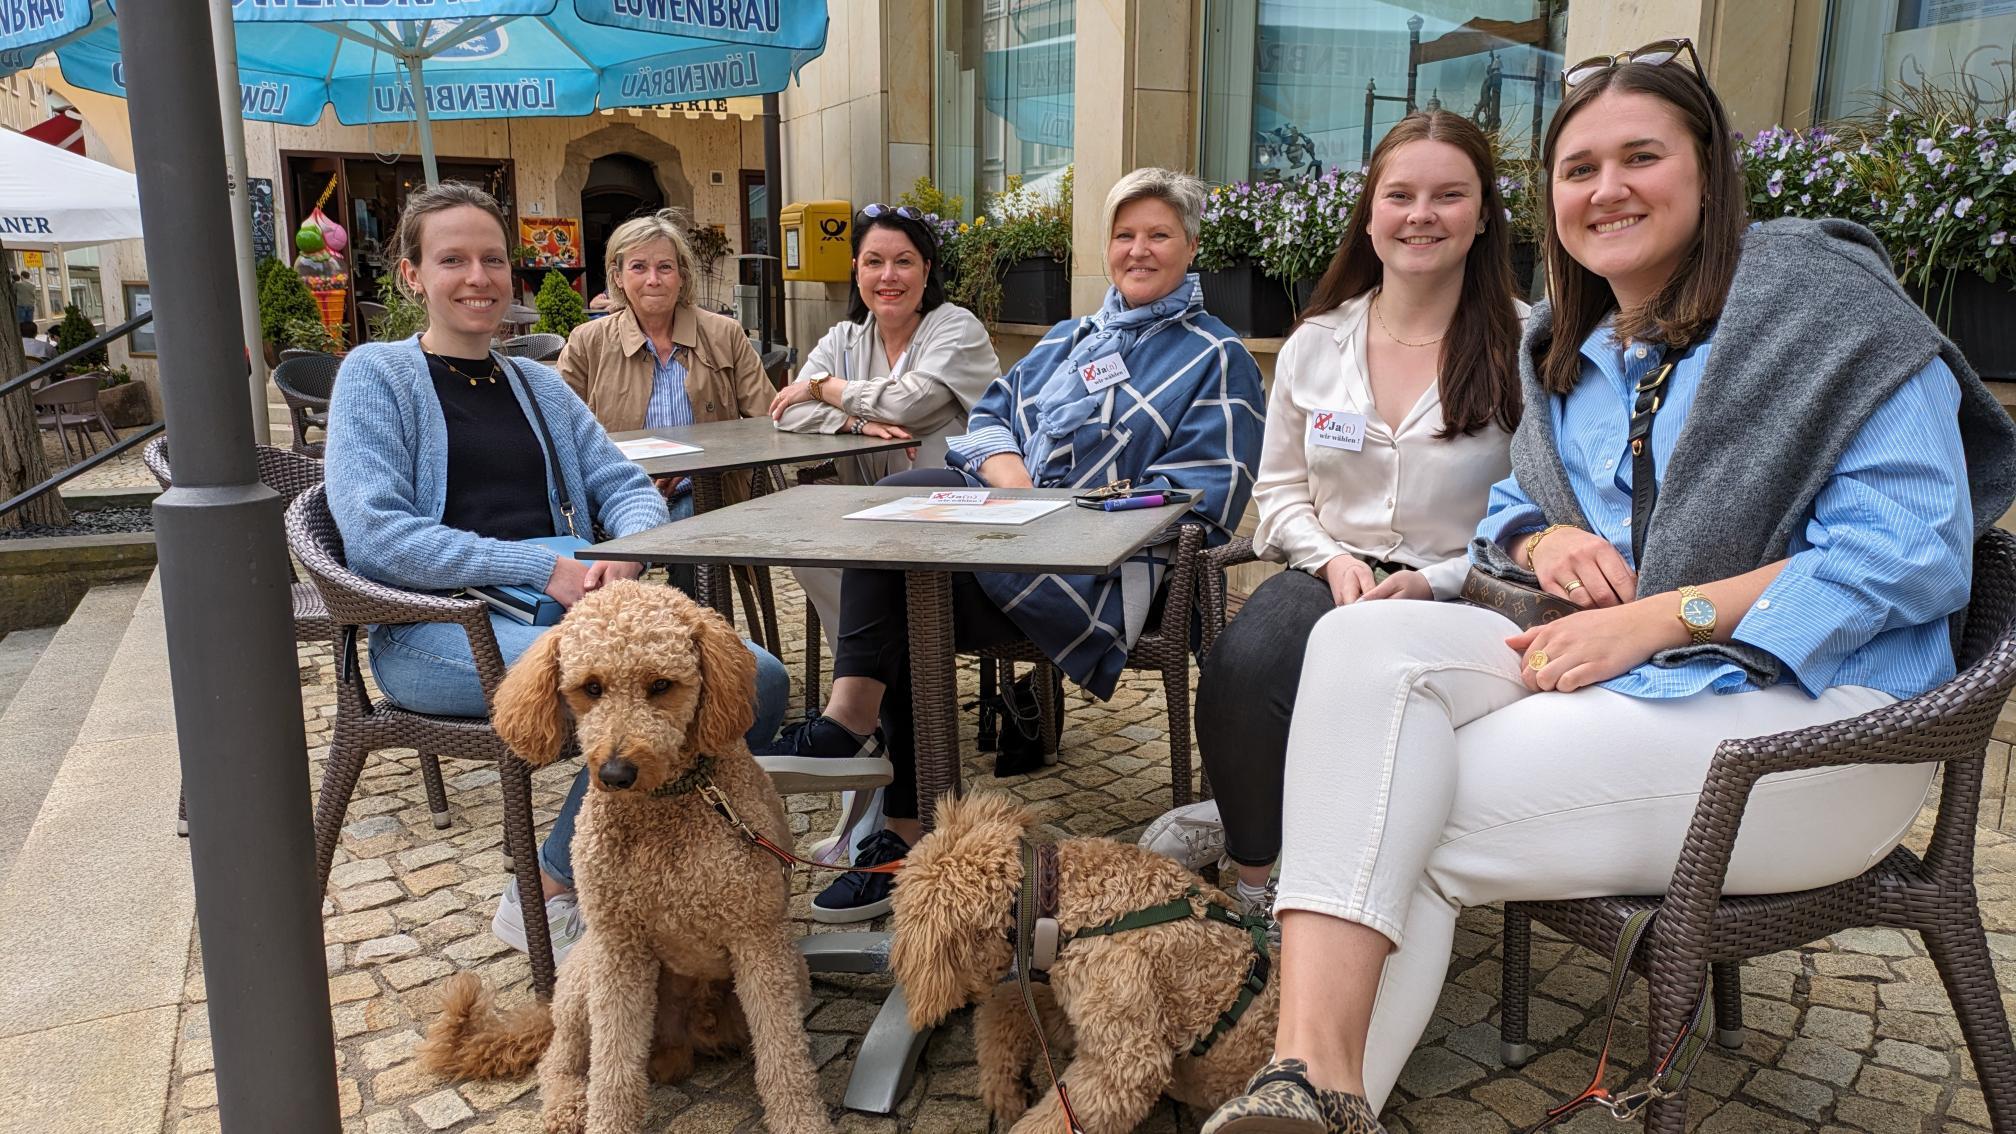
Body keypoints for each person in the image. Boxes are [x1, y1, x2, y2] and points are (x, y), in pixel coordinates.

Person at [1202, 41, 2016, 1134]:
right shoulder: (1573, 350)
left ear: (1710, 171)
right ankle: (1307, 1089)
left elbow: (1910, 550)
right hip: (1645, 685)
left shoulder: (1829, 311)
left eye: (1642, 157)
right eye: (1579, 169)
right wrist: (1542, 541)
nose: (1607, 189)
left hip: (1827, 722)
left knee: (1397, 805)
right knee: (1353, 647)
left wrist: (1662, 617)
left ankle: (1314, 1089)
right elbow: (1508, 509)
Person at [756, 167, 1267, 923]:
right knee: (897, 519)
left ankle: (881, 792)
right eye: (1124, 234)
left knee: (907, 572)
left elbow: (1204, 494)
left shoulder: (1217, 356)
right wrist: (1013, 480)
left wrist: (1055, 510)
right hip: (1008, 533)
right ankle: (880, 786)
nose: (1138, 250)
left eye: (1158, 234)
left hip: (1102, 571)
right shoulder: (1070, 338)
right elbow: (990, 417)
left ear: (1191, 248)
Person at [323, 183, 791, 965]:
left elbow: (625, 486)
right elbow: (374, 536)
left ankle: (628, 875)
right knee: (612, 705)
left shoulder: (536, 383)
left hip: (569, 613)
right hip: (439, 626)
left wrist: (625, 550)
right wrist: (541, 567)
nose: (479, 277)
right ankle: (549, 891)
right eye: (452, 260)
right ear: (412, 274)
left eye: (492, 259)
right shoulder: (378, 374)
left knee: (759, 680)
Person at [1139, 111, 1526, 926]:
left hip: (1469, 593)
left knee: (1378, 702)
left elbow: (1542, 513)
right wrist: (1330, 560)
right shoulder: (1318, 341)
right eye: (1401, 195)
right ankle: (1256, 880)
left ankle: (1365, 869)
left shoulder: (1528, 345)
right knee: (1244, 671)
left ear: (1485, 214)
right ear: (1370, 214)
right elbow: (1280, 490)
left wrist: (1436, 579)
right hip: (1334, 572)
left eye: (1449, 195)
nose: (1421, 215)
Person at [767, 202, 1001, 654]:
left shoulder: (956, 328)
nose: (888, 276)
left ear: (927, 270)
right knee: (809, 552)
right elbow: (785, 411)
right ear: (856, 270)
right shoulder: (843, 338)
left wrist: (824, 386)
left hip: (953, 516)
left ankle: (882, 673)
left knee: (871, 565)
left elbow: (908, 402)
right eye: (874, 261)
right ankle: (876, 674)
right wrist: (855, 421)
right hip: (869, 513)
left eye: (904, 261)